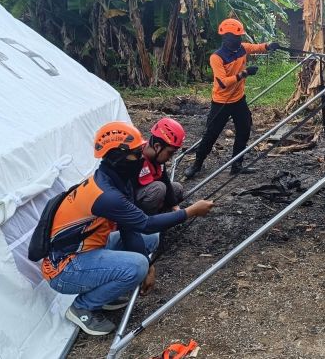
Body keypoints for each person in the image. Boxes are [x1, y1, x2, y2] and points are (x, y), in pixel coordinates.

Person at [42, 122, 215, 336]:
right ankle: (83, 307)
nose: (140, 157)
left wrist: (150, 266)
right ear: (118, 158)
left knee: (148, 240)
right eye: (135, 154)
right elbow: (146, 222)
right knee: (137, 265)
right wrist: (190, 211)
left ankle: (106, 292)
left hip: (85, 252)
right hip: (63, 270)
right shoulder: (106, 194)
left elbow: (130, 228)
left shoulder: (116, 181)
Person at [184, 18, 280, 178]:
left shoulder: (242, 49)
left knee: (244, 129)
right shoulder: (217, 57)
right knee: (211, 134)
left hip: (238, 100)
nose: (239, 40)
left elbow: (256, 47)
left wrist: (269, 46)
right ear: (226, 38)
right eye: (236, 37)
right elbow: (222, 83)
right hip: (221, 103)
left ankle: (237, 164)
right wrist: (245, 73)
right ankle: (197, 164)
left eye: (240, 36)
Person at [135, 117, 187, 215]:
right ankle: (149, 223)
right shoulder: (135, 159)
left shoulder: (157, 158)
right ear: (157, 146)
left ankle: (161, 214)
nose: (170, 158)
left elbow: (165, 180)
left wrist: (175, 206)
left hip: (148, 194)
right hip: (131, 205)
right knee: (159, 188)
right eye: (170, 153)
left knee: (177, 188)